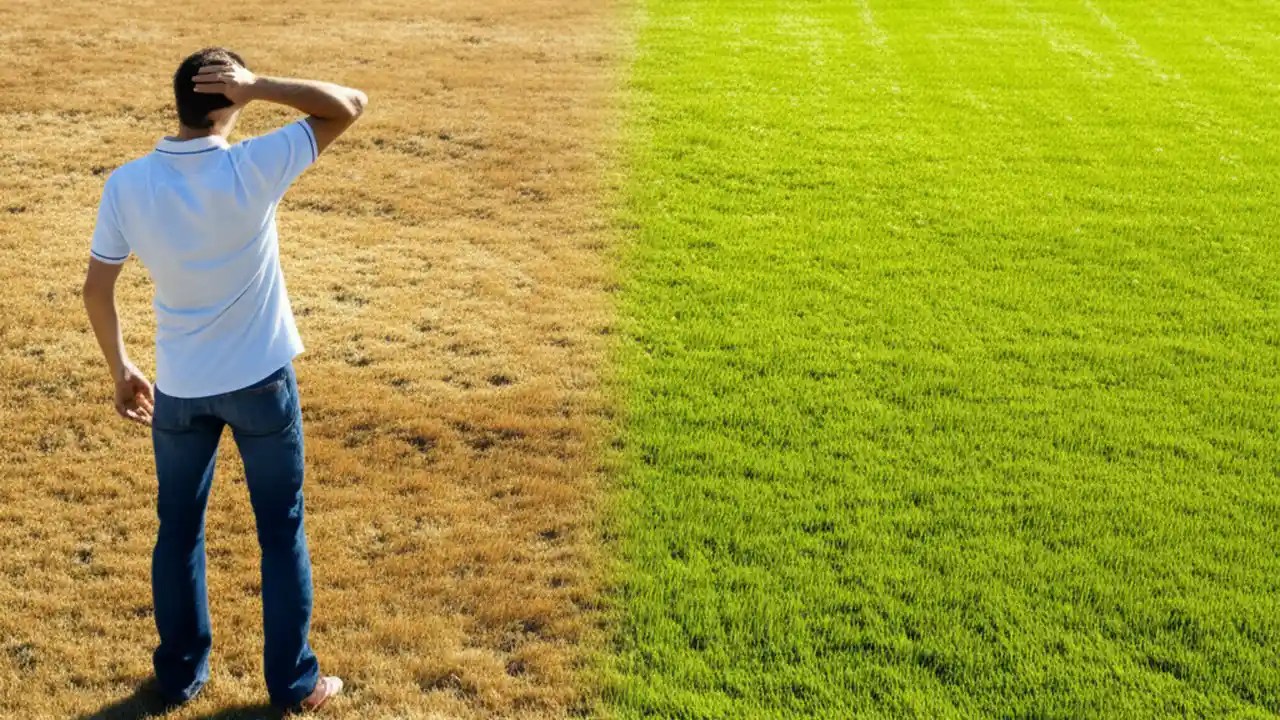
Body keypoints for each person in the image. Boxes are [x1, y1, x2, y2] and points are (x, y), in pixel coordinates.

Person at [81, 47, 367, 712]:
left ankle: (180, 676)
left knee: (177, 528)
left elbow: (97, 288)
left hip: (180, 390)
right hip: (262, 384)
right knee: (280, 530)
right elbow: (350, 103)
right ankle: (295, 685)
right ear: (231, 100)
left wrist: (120, 367)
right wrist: (261, 85)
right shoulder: (252, 166)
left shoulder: (127, 184)